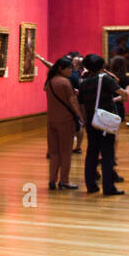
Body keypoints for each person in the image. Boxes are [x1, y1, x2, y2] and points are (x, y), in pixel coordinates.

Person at [77, 54, 125, 196]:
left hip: (91, 121)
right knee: (107, 153)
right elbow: (124, 94)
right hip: (105, 121)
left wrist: (85, 120)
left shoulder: (83, 82)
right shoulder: (105, 79)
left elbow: (81, 105)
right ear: (102, 66)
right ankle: (108, 187)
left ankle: (91, 186)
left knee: (92, 152)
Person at [44, 56, 83, 190]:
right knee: (66, 152)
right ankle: (64, 180)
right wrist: (80, 116)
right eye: (69, 69)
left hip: (51, 120)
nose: (71, 72)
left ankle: (52, 179)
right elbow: (72, 102)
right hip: (66, 121)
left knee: (54, 152)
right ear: (61, 69)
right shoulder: (65, 82)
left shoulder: (49, 82)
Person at [108, 56, 129, 182]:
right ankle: (113, 156)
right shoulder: (125, 78)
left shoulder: (107, 76)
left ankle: (103, 155)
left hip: (105, 105)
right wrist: (117, 99)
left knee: (104, 132)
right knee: (115, 133)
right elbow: (127, 95)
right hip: (117, 107)